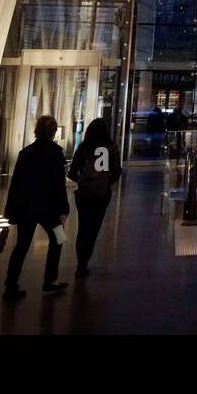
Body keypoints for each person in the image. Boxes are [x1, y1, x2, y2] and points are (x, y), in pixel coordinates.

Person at [3, 115, 70, 301]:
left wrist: (10, 209)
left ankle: (10, 286)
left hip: (26, 206)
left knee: (22, 245)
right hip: (49, 208)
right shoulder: (55, 153)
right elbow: (59, 184)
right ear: (53, 132)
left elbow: (16, 183)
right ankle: (50, 279)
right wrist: (64, 206)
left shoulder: (26, 153)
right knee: (58, 238)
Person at [67, 116, 122, 278]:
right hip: (101, 194)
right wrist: (105, 182)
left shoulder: (84, 148)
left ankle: (81, 263)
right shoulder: (110, 148)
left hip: (84, 194)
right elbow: (117, 171)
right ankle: (85, 259)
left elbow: (72, 172)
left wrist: (83, 181)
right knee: (93, 228)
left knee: (83, 227)